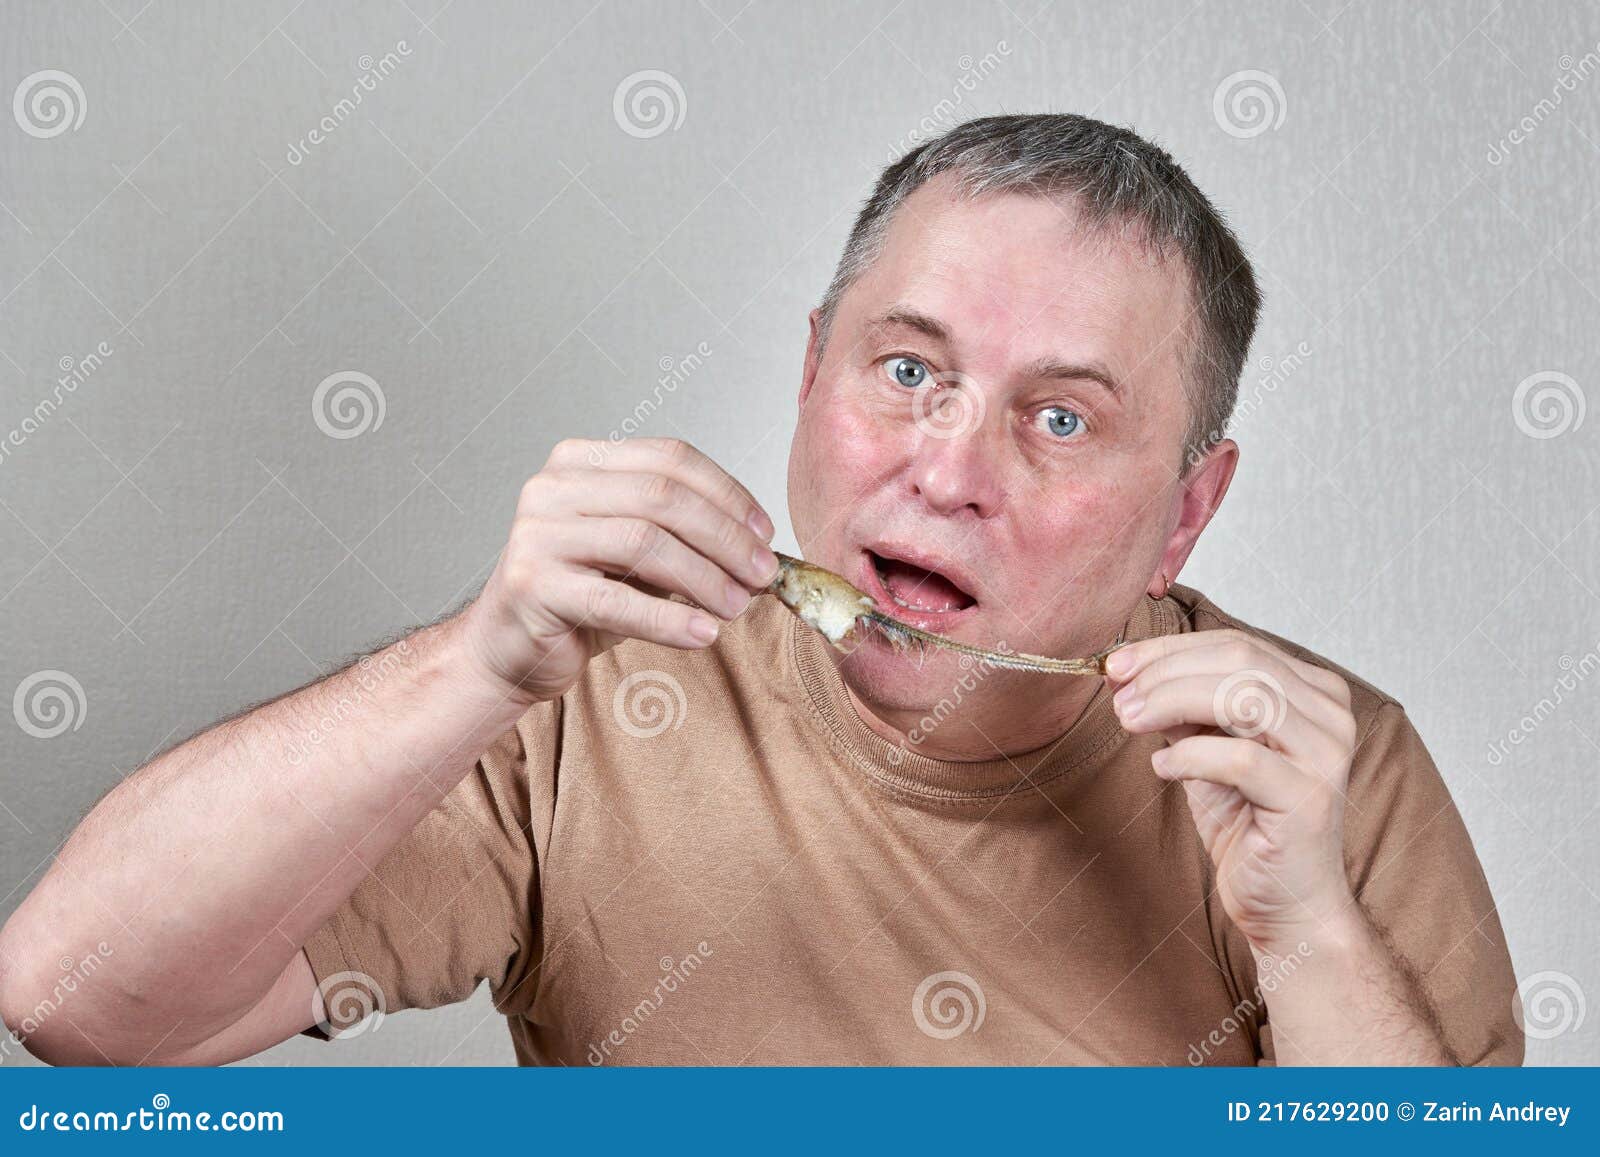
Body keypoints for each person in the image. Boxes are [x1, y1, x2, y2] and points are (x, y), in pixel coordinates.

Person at [0, 114, 1521, 1066]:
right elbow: (75, 1005)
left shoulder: (1312, 772)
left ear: (1187, 512)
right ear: (808, 376)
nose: (948, 467)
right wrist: (472, 661)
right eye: (907, 369)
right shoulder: (593, 682)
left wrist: (1308, 926)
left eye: (1059, 419)